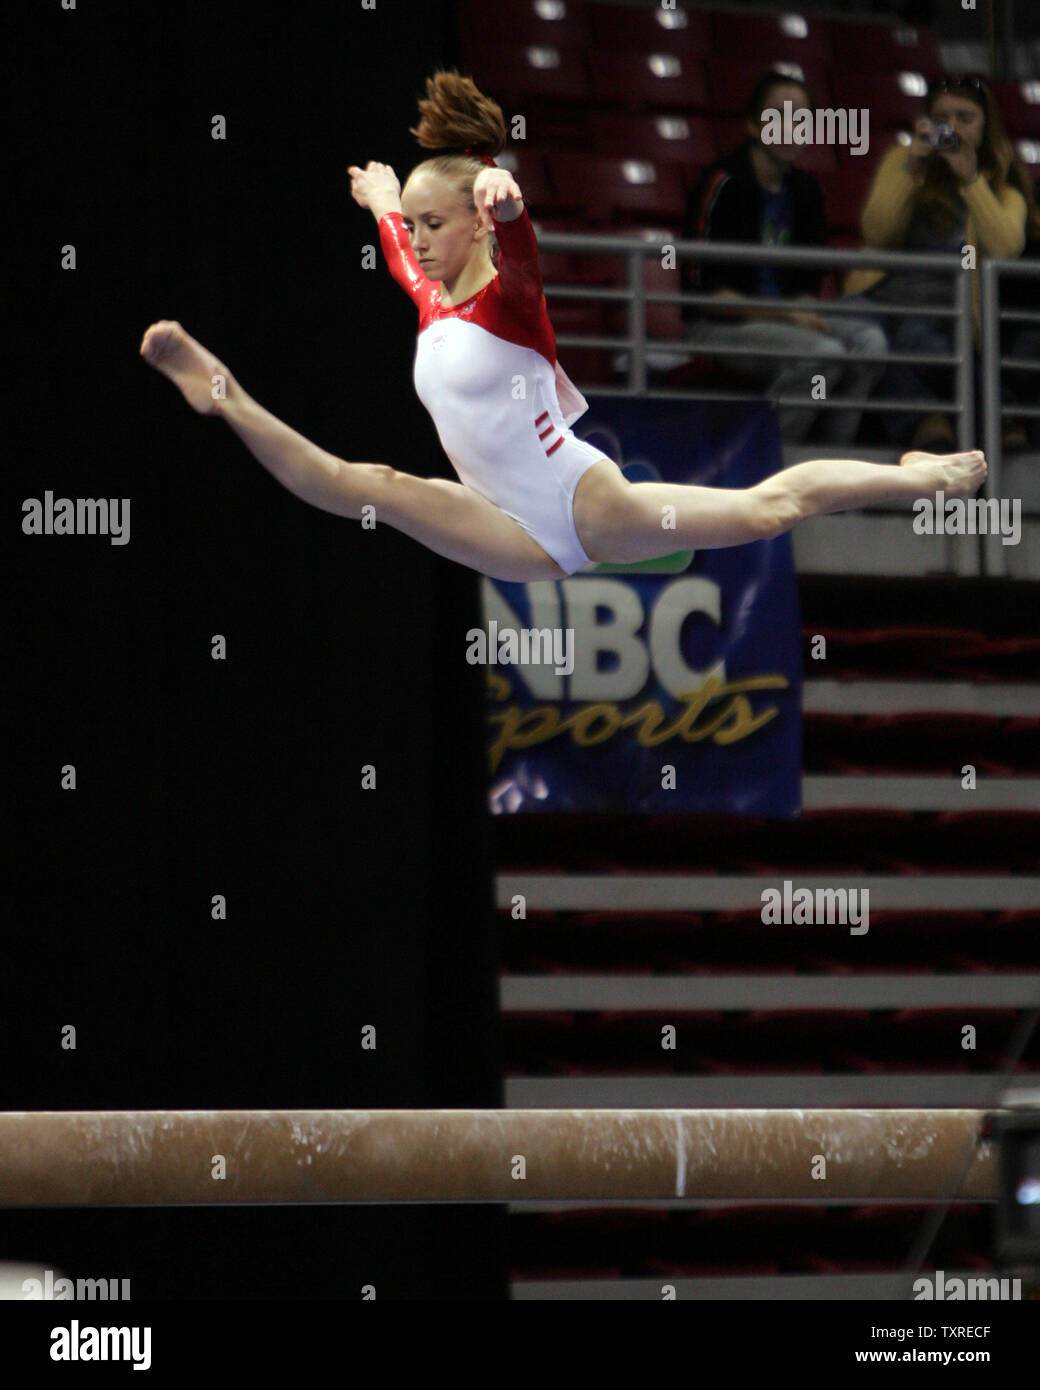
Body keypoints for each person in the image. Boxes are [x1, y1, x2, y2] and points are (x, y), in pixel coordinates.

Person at [139, 70, 986, 584]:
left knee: (768, 510)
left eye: (442, 226)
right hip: (503, 525)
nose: (422, 245)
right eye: (421, 229)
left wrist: (507, 209)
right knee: (359, 484)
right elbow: (399, 242)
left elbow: (519, 253)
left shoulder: (509, 293)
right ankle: (223, 395)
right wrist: (384, 201)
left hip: (580, 504)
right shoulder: (429, 292)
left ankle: (917, 477)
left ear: (472, 225)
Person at [680, 69, 888, 445]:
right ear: (751, 124)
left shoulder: (806, 190)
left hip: (786, 322)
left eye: (800, 118)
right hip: (721, 326)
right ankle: (766, 458)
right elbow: (706, 297)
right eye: (778, 116)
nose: (790, 126)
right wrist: (788, 314)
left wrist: (800, 311)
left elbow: (808, 284)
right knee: (823, 353)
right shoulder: (723, 183)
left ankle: (830, 458)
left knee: (869, 343)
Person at [846, 74, 1035, 451]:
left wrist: (970, 180)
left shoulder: (1002, 188)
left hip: (952, 307)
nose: (953, 128)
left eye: (965, 118)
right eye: (942, 118)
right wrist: (912, 167)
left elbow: (1006, 246)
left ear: (985, 126)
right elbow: (877, 232)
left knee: (919, 335)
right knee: (894, 334)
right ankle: (997, 415)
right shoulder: (903, 161)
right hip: (883, 297)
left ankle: (926, 419)